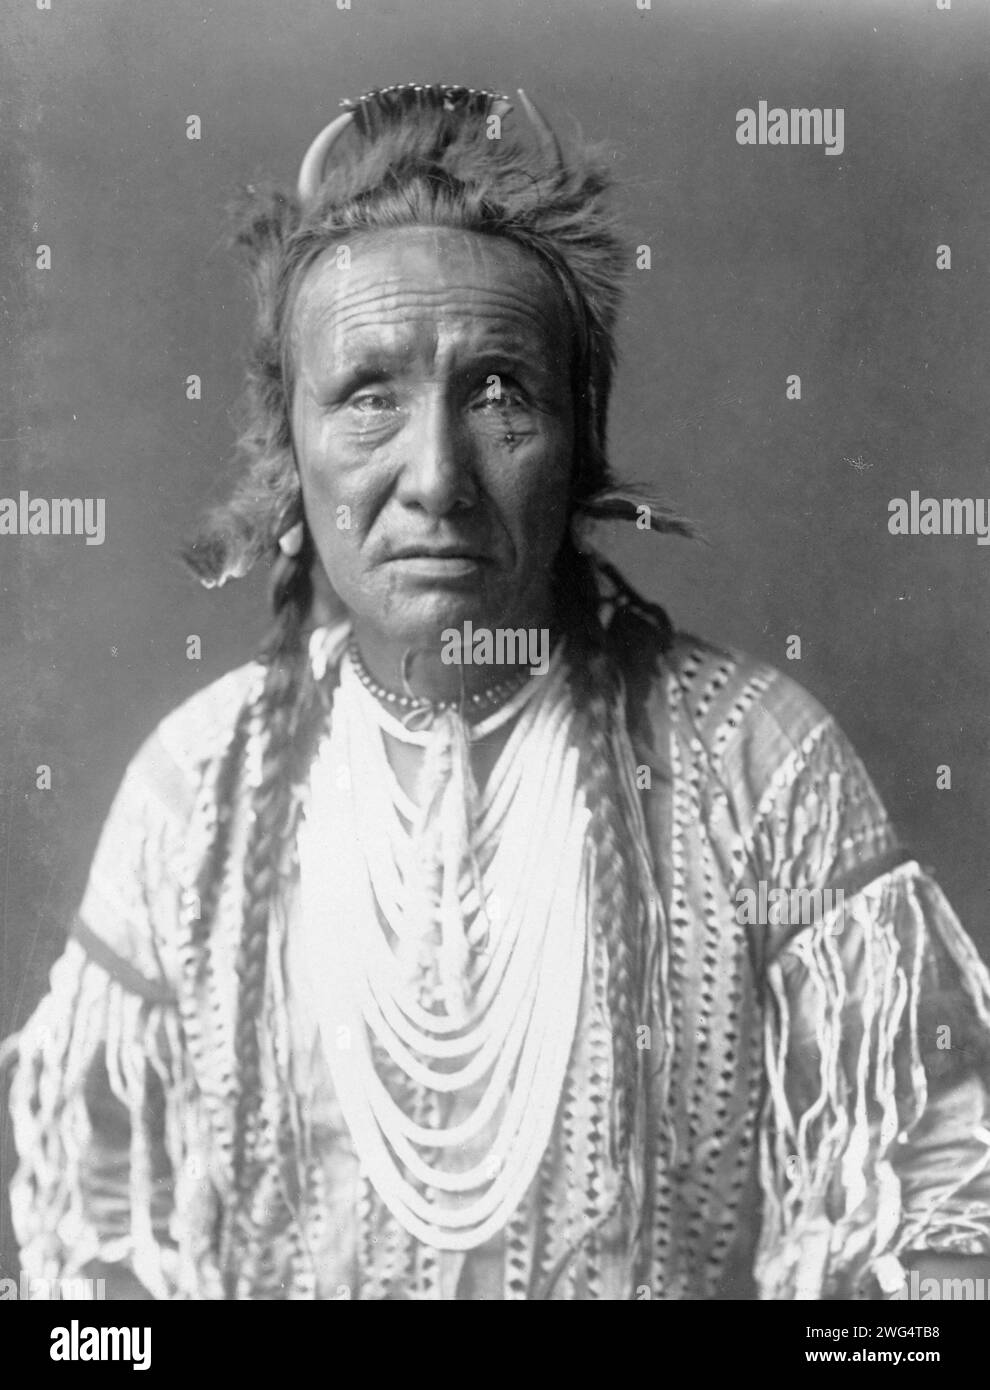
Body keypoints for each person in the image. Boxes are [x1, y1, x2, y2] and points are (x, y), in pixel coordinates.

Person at [7, 82, 990, 1301]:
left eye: (499, 394)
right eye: (370, 392)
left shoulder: (759, 768)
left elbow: (935, 1222)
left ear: (581, 443)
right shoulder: (191, 801)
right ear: (288, 457)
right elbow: (89, 1280)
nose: (436, 476)